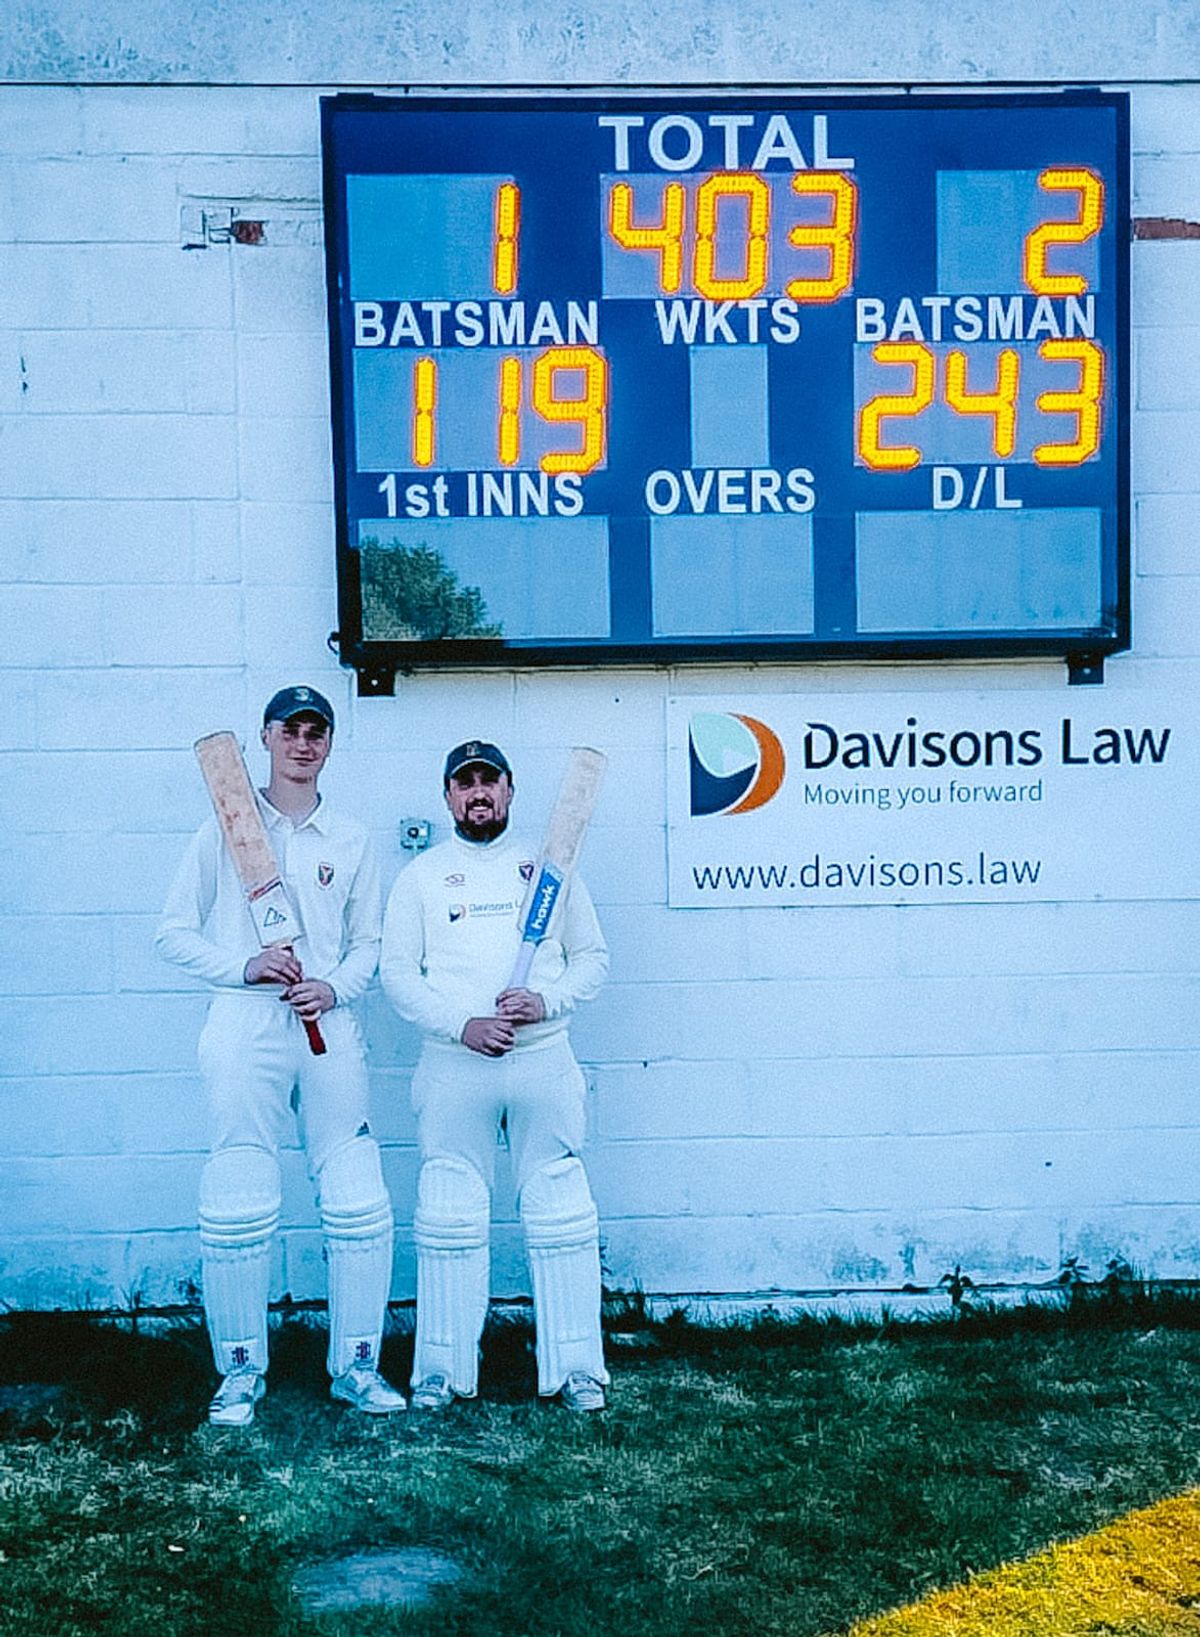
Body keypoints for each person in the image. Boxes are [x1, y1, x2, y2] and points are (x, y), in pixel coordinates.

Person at [156, 686, 405, 1427]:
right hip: (246, 1024)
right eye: (289, 729)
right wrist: (244, 967)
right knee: (239, 1193)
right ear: (265, 737)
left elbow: (371, 946)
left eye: (316, 730)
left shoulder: (351, 837)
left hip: (325, 1025)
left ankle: (357, 1367)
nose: (303, 741)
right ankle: (238, 1373)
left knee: (358, 1198)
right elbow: (171, 931)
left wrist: (332, 986)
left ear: (329, 742)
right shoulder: (224, 828)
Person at [380, 740, 609, 1411]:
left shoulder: (550, 869)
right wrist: (463, 1025)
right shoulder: (421, 877)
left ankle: (576, 1369)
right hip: (456, 1066)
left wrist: (545, 1000)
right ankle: (443, 1372)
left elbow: (592, 958)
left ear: (509, 788)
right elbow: (398, 976)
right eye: (465, 782)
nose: (478, 793)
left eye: (490, 780)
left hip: (543, 1059)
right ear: (448, 795)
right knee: (449, 1210)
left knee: (561, 1210)